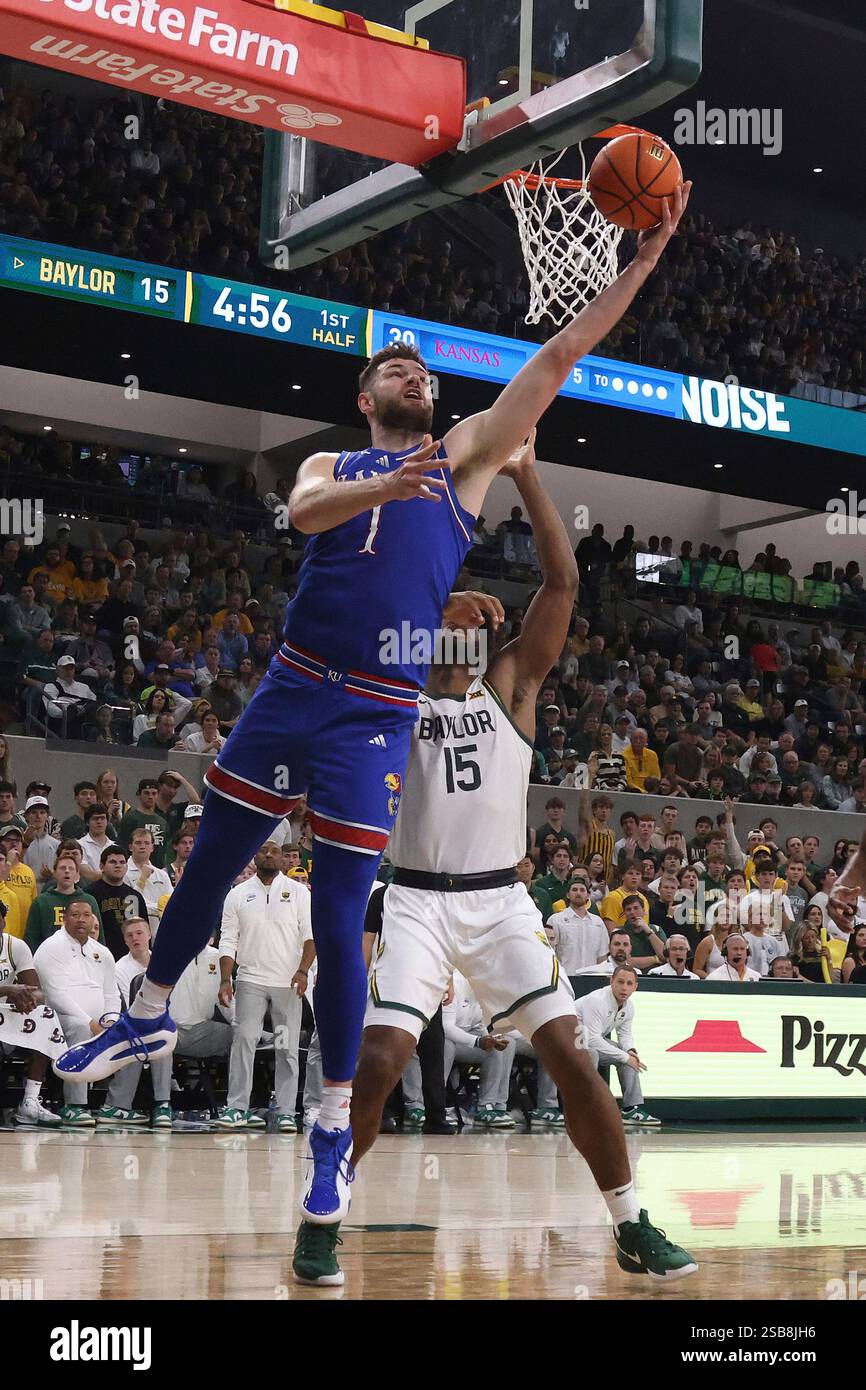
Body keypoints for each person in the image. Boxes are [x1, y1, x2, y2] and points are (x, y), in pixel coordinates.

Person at [55, 183, 693, 1236]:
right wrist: (379, 488)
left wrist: (635, 265)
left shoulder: (462, 461)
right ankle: (147, 1014)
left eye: (426, 373)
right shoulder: (331, 462)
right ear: (366, 397)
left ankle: (328, 1128)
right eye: (398, 369)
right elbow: (305, 510)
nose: (418, 376)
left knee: (344, 921)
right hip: (293, 679)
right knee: (212, 858)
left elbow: (554, 363)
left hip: (371, 712)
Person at [311, 429, 698, 1287]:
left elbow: (563, 582)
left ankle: (632, 1225)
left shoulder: (513, 690)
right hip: (413, 900)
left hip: (499, 904)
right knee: (377, 1064)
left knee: (570, 1054)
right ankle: (324, 1219)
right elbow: (381, 613)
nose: (468, 632)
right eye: (453, 622)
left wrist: (526, 473)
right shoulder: (394, 688)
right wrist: (441, 595)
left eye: (477, 625)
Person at [216, 842, 315, 1134]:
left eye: (274, 851)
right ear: (254, 857)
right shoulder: (237, 894)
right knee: (243, 1040)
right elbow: (227, 940)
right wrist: (225, 978)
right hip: (249, 979)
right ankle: (236, 1108)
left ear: (283, 858)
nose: (268, 855)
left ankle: (285, 1110)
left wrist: (303, 971)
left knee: (286, 1047)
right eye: (263, 851)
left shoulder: (299, 893)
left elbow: (311, 936)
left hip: (287, 981)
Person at [0, 900, 62, 1126]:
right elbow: (10, 988)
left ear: (3, 922)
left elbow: (37, 992)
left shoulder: (15, 946)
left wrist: (27, 1000)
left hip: (6, 1014)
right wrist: (7, 989)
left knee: (45, 1016)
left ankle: (30, 1102)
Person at [574, 967, 661, 1127]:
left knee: (627, 1057)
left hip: (589, 1040)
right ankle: (585, 1110)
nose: (624, 987)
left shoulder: (629, 1007)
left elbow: (625, 1035)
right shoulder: (597, 1000)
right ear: (611, 981)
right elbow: (592, 1039)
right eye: (620, 982)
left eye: (629, 983)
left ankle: (631, 1109)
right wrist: (625, 1057)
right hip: (571, 1039)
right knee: (593, 1054)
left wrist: (630, 1051)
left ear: (636, 986)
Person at [90, 847, 150, 960]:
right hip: (101, 956)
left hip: (132, 958)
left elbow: (145, 931)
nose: (118, 865)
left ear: (127, 867)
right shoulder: (90, 894)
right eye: (113, 862)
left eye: (122, 862)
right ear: (101, 866)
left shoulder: (135, 896)